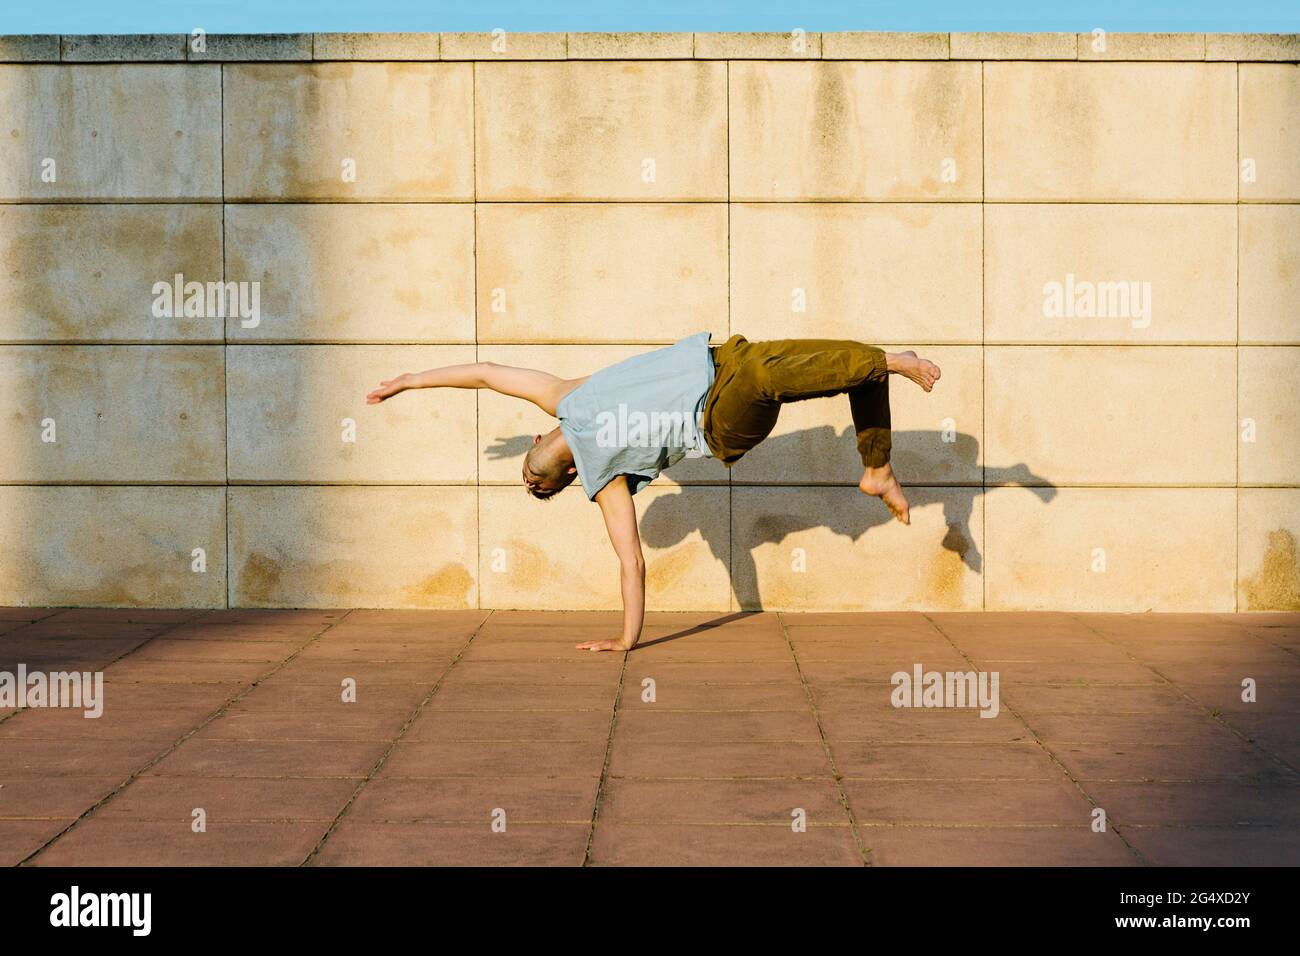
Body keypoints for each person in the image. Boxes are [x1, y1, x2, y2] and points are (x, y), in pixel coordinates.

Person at [366, 333, 941, 652]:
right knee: (775, 372)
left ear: (540, 435)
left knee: (845, 365)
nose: (528, 478)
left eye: (525, 474)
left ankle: (877, 468)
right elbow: (630, 561)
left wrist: (411, 381)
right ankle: (894, 361)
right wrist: (625, 637)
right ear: (566, 476)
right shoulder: (604, 476)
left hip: (722, 360)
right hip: (722, 416)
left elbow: (488, 373)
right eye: (536, 485)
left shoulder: (561, 396)